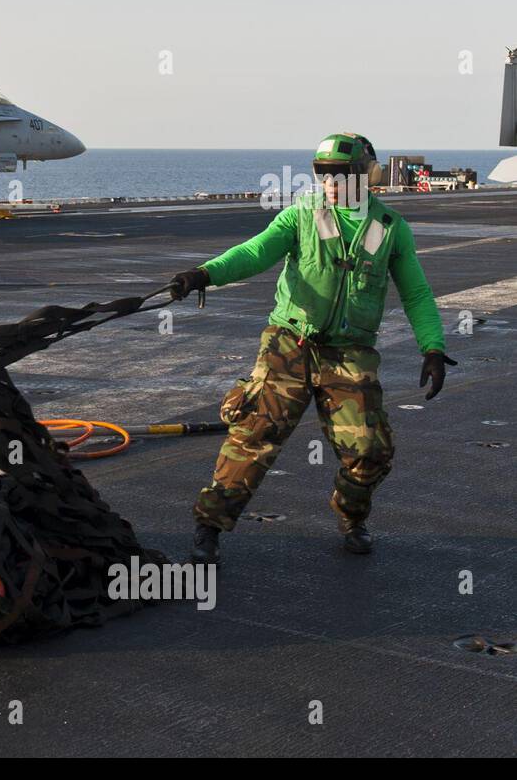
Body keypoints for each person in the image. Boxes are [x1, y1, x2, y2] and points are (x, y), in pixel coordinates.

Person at [169, 133, 455, 564]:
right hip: (290, 344)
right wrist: (205, 274)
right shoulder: (303, 215)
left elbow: (416, 294)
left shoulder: (388, 228)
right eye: (324, 174)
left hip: (350, 352)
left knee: (370, 452)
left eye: (343, 174)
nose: (332, 183)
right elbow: (256, 252)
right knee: (254, 437)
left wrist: (432, 348)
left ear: (367, 176)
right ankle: (208, 527)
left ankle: (351, 516)